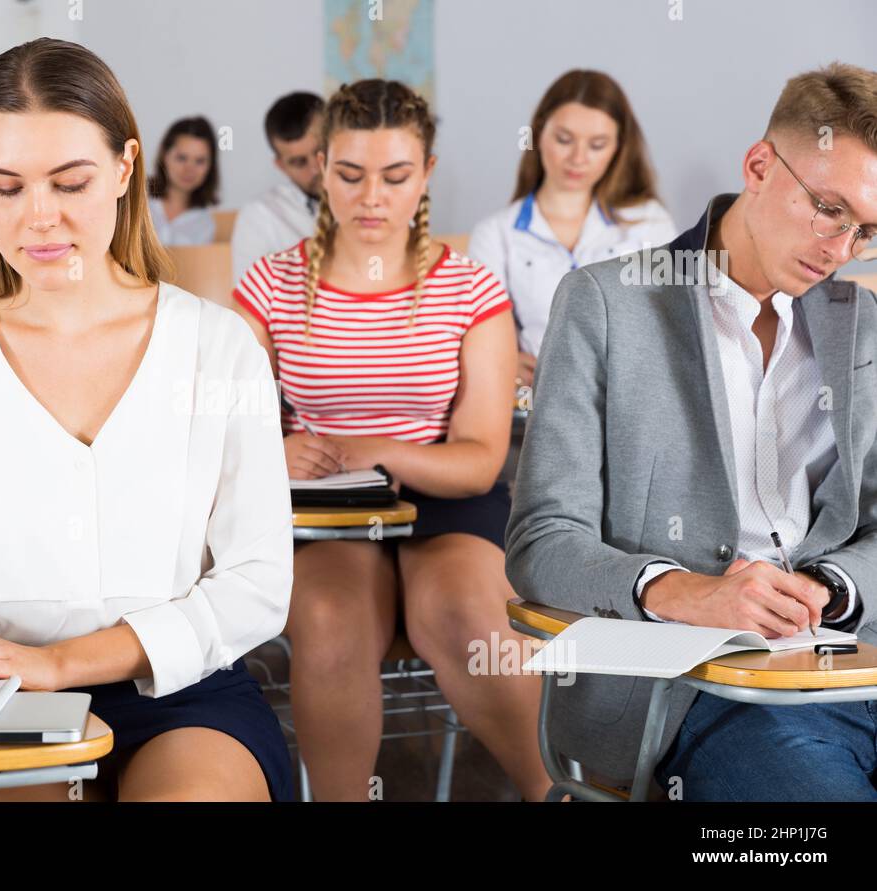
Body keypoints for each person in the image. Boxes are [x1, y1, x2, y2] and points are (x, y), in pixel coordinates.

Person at [0, 38, 295, 802]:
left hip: (178, 690)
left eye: (69, 182)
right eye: (7, 187)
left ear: (124, 167)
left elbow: (256, 581)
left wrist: (60, 663)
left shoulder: (219, 349)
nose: (38, 219)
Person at [505, 63, 877, 801]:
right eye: (829, 209)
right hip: (697, 692)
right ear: (760, 166)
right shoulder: (608, 305)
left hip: (851, 664)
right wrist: (683, 591)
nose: (841, 249)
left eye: (867, 230)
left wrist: (832, 587)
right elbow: (543, 542)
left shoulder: (862, 324)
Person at [234, 79, 551, 802]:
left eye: (395, 176)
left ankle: (552, 791)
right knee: (327, 617)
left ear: (427, 175)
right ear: (320, 167)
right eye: (348, 174)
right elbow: (222, 428)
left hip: (442, 500)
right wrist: (268, 450)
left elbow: (478, 460)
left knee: (467, 613)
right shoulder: (271, 285)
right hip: (325, 509)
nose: (371, 196)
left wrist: (373, 448)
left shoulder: (471, 289)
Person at [468, 70, 676, 389]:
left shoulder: (650, 222)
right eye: (564, 140)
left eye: (597, 144)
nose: (578, 158)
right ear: (538, 134)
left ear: (619, 148)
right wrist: (504, 362)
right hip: (537, 405)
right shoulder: (495, 235)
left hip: (631, 400)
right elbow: (488, 349)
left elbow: (668, 330)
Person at [230, 91, 324, 284]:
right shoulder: (260, 216)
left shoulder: (379, 197)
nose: (315, 168)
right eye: (299, 162)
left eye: (321, 151)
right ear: (281, 165)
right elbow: (248, 300)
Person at [147, 116, 218, 245]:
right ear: (164, 155)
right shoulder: (136, 202)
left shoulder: (205, 224)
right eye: (181, 158)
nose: (189, 169)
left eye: (200, 161)